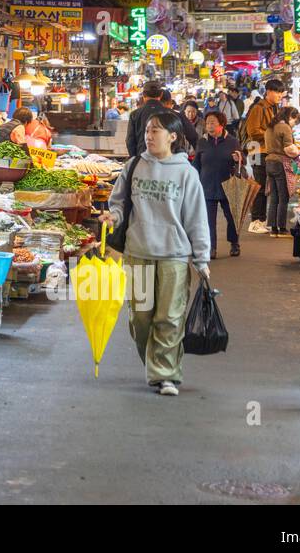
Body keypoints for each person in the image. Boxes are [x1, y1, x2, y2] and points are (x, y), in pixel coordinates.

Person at [100, 109, 211, 396]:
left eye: (156, 131)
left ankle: (165, 375)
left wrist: (201, 259)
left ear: (173, 137)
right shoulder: (135, 165)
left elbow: (196, 218)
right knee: (140, 318)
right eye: (148, 130)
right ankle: (154, 363)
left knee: (170, 317)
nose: (149, 136)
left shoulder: (186, 172)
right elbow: (119, 202)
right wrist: (113, 216)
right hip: (138, 251)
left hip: (174, 255)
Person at [194, 111, 243, 258]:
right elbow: (196, 163)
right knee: (208, 220)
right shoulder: (202, 142)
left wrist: (238, 158)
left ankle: (234, 243)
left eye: (213, 122)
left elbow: (243, 160)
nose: (209, 126)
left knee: (232, 217)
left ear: (221, 125)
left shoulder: (232, 141)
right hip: (207, 185)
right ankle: (211, 248)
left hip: (227, 184)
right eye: (207, 123)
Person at [241, 77, 285, 231]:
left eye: (281, 93)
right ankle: (255, 221)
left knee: (266, 187)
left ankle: (262, 219)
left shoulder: (275, 108)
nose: (280, 95)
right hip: (258, 151)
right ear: (268, 92)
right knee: (259, 186)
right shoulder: (259, 107)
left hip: (269, 151)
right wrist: (272, 134)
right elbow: (252, 131)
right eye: (277, 92)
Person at [262, 106, 300, 237]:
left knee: (274, 197)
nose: (293, 123)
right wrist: (298, 151)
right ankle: (282, 228)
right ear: (290, 116)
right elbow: (289, 148)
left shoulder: (270, 127)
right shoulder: (284, 127)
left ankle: (273, 229)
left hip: (269, 162)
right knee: (283, 197)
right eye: (294, 120)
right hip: (280, 163)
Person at [126, 81, 168, 157]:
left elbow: (130, 141)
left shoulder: (135, 114)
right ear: (161, 94)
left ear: (143, 95)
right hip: (165, 160)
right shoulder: (170, 113)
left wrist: (135, 159)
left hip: (142, 158)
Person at [0, 88, 28, 153]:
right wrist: (30, 159)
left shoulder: (7, 123)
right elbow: (22, 144)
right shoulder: (19, 126)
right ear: (26, 122)